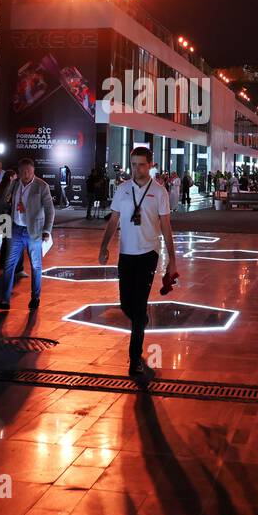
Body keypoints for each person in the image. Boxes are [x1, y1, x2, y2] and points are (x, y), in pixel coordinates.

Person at [98, 146, 178, 384]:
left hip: (147, 253)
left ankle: (135, 358)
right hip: (126, 253)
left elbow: (166, 226)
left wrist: (172, 259)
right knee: (126, 304)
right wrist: (103, 246)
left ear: (150, 165)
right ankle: (140, 321)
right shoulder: (122, 190)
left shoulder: (159, 192)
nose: (137, 169)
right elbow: (114, 220)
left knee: (140, 303)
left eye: (142, 164)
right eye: (133, 164)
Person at [0, 157, 55, 309]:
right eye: (22, 171)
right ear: (19, 172)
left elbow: (50, 210)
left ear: (33, 170)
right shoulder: (14, 184)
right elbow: (4, 202)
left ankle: (35, 298)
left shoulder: (42, 186)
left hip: (33, 231)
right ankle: (5, 300)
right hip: (16, 228)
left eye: (28, 171)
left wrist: (47, 230)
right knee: (8, 264)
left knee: (36, 265)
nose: (26, 174)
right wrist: (2, 224)